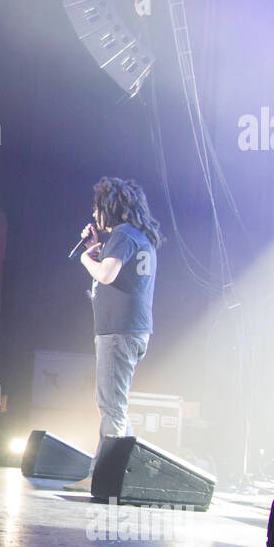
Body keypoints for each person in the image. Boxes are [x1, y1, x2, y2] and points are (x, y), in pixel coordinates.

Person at [76, 176, 162, 487]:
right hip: (133, 330)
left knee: (111, 405)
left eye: (97, 206)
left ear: (110, 207)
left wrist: (87, 259)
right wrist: (97, 249)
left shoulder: (125, 234)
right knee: (116, 404)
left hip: (119, 331)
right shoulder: (137, 236)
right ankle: (127, 472)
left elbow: (107, 275)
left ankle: (103, 476)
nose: (94, 212)